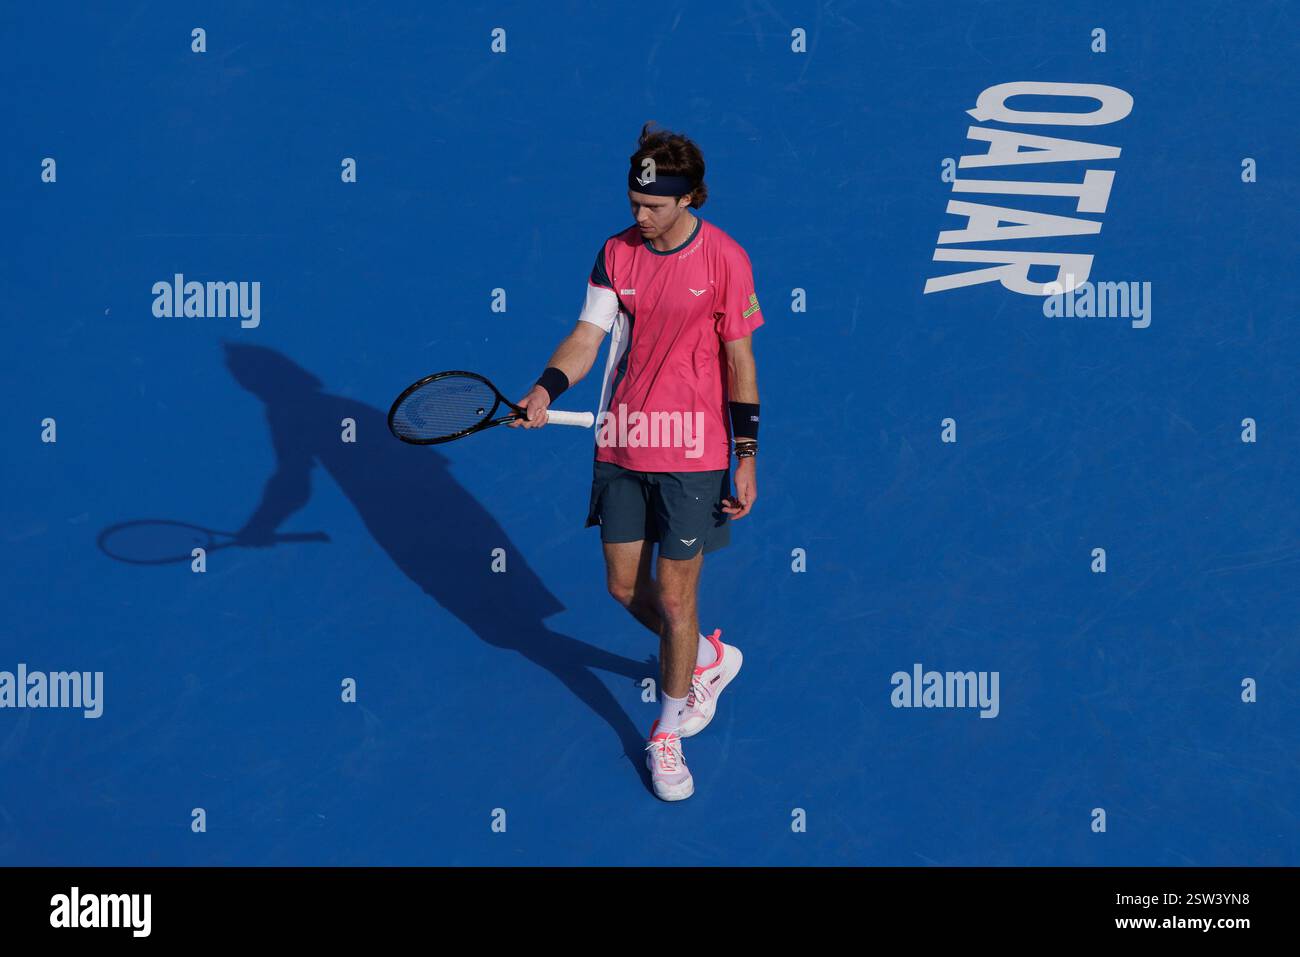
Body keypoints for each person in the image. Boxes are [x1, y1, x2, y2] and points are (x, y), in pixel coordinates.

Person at [511, 122, 763, 801]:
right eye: (633, 204)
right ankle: (706, 658)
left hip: (694, 452)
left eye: (652, 207)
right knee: (625, 588)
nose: (639, 217)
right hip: (621, 441)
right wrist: (545, 386)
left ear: (688, 200)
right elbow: (588, 335)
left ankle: (669, 730)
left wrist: (746, 454)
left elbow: (740, 361)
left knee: (678, 597)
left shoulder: (725, 261)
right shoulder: (616, 254)